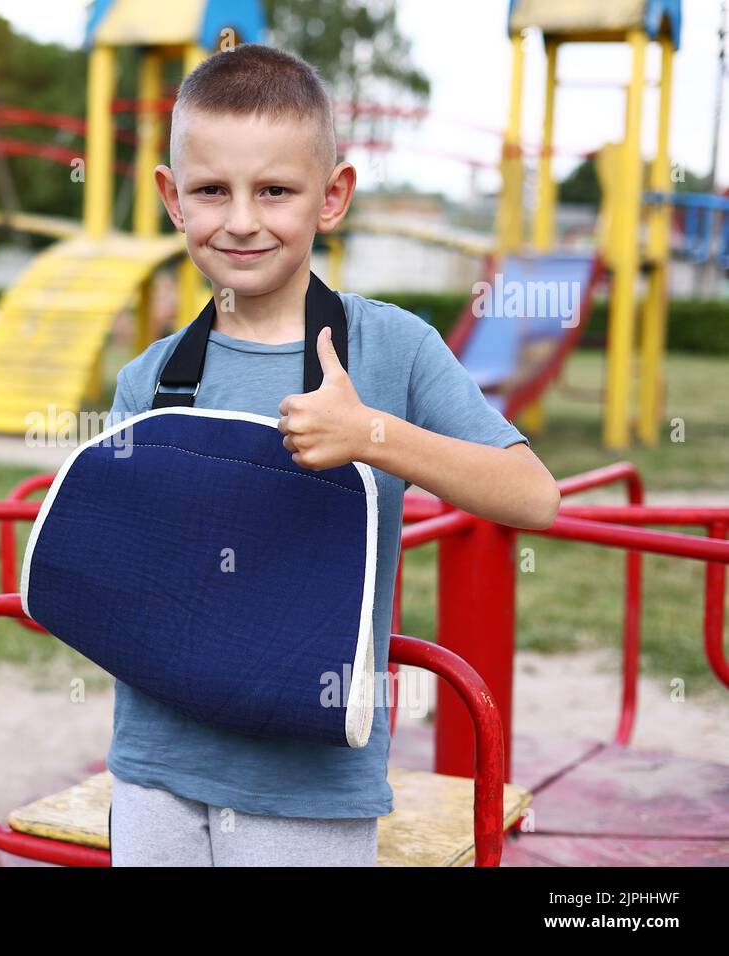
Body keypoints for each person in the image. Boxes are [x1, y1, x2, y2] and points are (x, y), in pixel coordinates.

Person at [105, 43, 561, 867]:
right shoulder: (150, 378)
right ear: (173, 199)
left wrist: (371, 435)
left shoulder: (393, 349)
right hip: (156, 772)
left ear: (333, 196)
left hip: (310, 786)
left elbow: (533, 497)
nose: (241, 220)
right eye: (212, 190)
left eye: (275, 190)